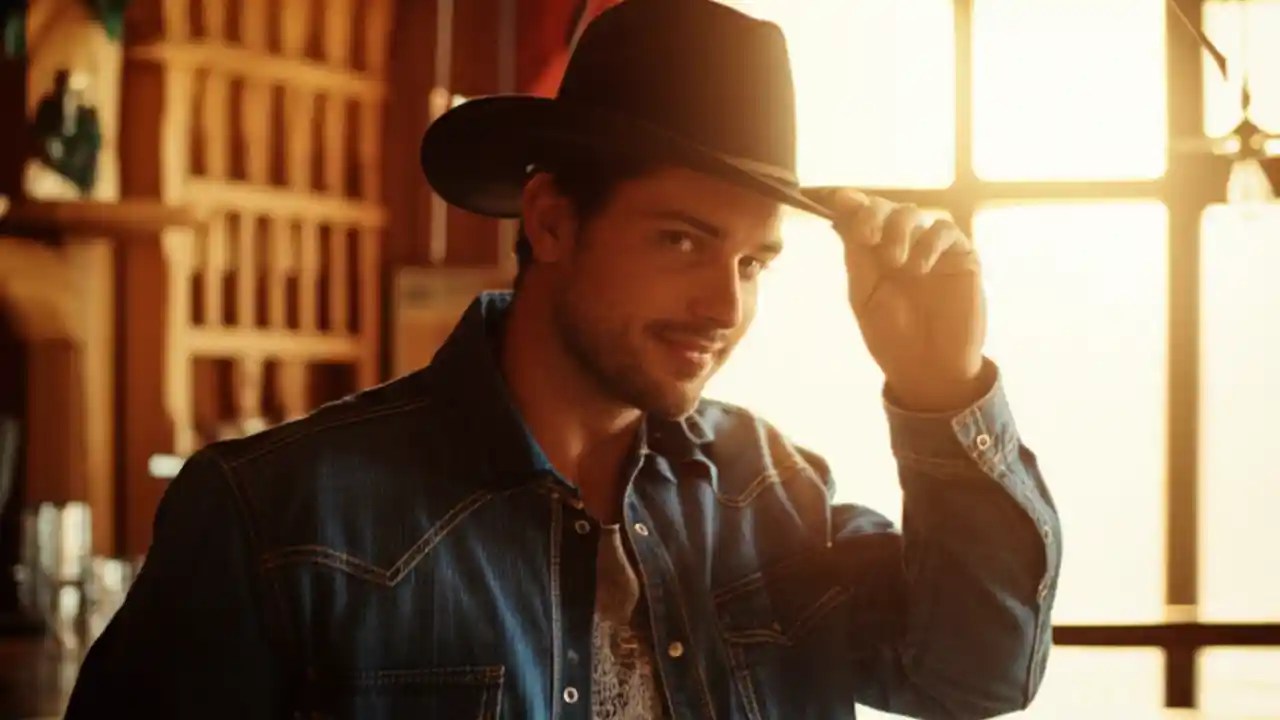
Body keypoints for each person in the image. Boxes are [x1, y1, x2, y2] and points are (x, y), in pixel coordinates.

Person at [66, 1, 1061, 717]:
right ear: (550, 220)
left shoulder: (771, 493)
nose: (724, 305)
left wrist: (940, 386)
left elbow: (975, 675)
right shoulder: (279, 518)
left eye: (753, 262)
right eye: (680, 240)